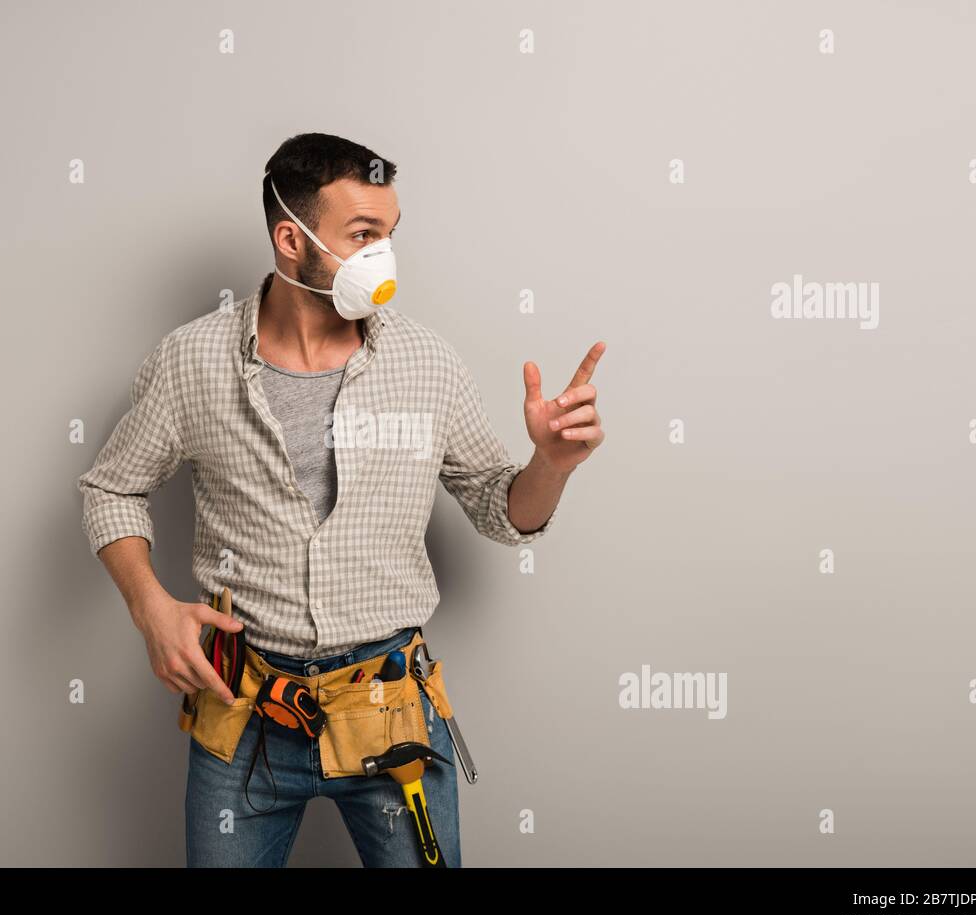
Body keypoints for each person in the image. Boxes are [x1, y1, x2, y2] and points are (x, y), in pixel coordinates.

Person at [77, 132, 605, 867]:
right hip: (242, 719)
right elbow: (112, 487)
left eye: (389, 233)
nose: (382, 254)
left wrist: (551, 463)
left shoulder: (426, 362)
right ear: (291, 239)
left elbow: (499, 508)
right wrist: (150, 607)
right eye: (362, 234)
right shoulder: (189, 362)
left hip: (392, 714)